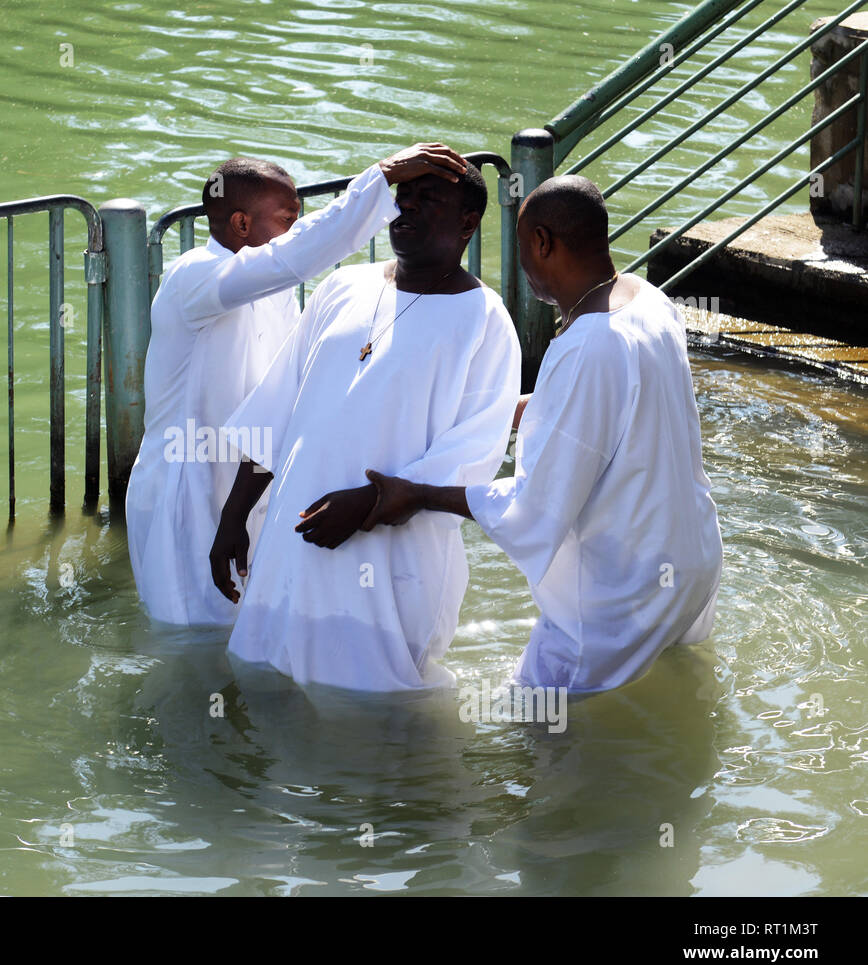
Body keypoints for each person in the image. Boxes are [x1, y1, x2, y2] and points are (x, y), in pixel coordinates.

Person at [361, 175, 723, 695]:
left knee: (540, 725)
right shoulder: (648, 301)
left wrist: (417, 494)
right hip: (692, 563)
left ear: (542, 242)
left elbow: (535, 508)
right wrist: (491, 413)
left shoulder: (585, 344)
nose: (521, 264)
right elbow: (609, 412)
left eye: (521, 248)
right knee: (670, 700)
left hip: (621, 592)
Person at [127, 143, 470, 626]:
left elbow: (283, 393)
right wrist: (380, 176)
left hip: (247, 485)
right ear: (242, 225)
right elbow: (293, 258)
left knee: (249, 630)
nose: (295, 232)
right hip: (183, 490)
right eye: (287, 219)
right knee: (188, 639)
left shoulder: (274, 288)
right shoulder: (195, 278)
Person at [208, 162, 521, 692]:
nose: (406, 206)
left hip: (389, 561)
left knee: (375, 720)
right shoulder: (342, 286)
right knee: (267, 693)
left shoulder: (485, 321)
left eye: (428, 199)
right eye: (403, 194)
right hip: (291, 545)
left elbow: (472, 453)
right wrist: (233, 517)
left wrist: (370, 502)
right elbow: (276, 408)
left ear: (467, 225)